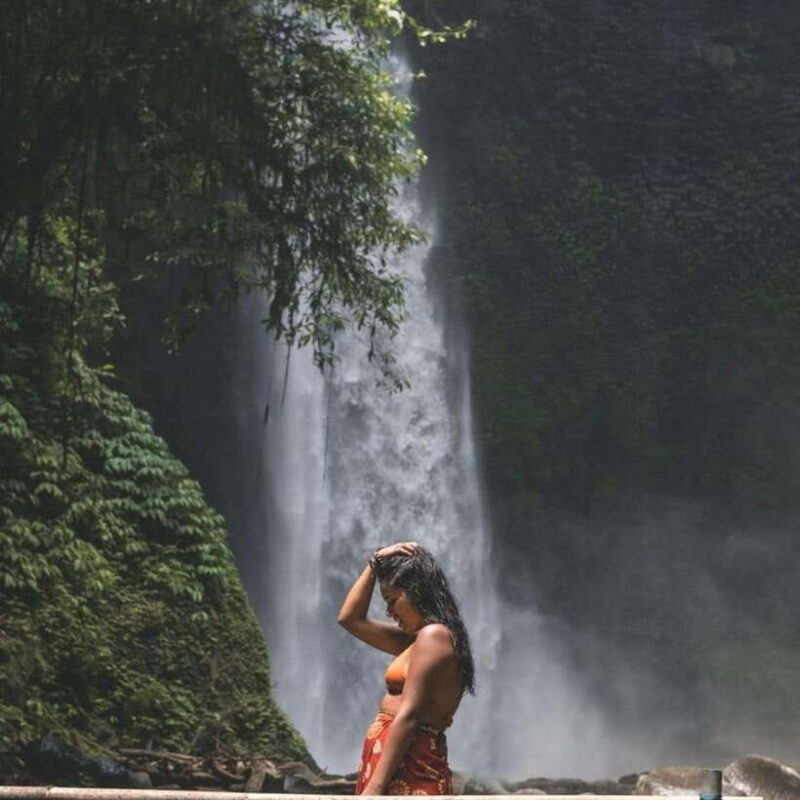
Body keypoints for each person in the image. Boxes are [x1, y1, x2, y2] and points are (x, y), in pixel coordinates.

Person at [337, 541, 475, 796]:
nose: (389, 612)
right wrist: (375, 563)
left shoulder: (434, 636)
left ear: (416, 592)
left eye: (392, 600)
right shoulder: (417, 640)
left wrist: (375, 788)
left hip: (410, 766)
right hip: (395, 765)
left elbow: (409, 715)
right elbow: (350, 619)